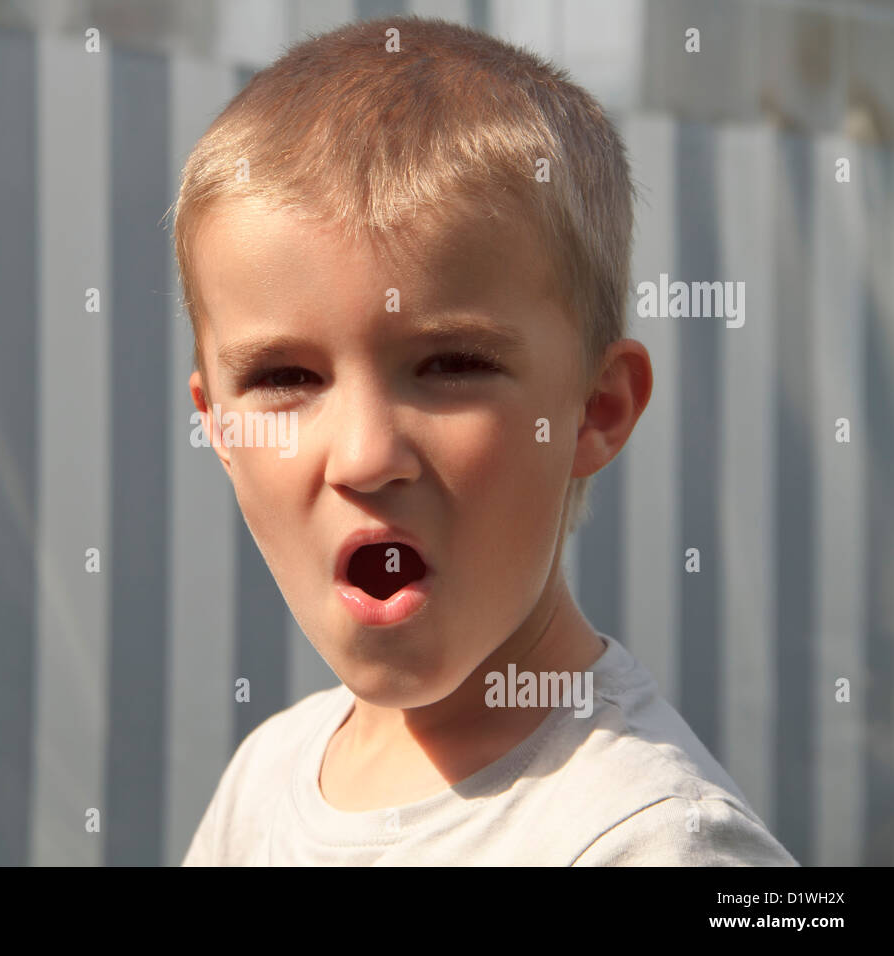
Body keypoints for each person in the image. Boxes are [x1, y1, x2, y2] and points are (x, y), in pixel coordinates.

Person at [172, 15, 796, 865]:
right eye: (285, 377)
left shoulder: (650, 838)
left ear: (597, 408)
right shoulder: (264, 777)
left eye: (451, 365)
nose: (366, 456)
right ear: (218, 424)